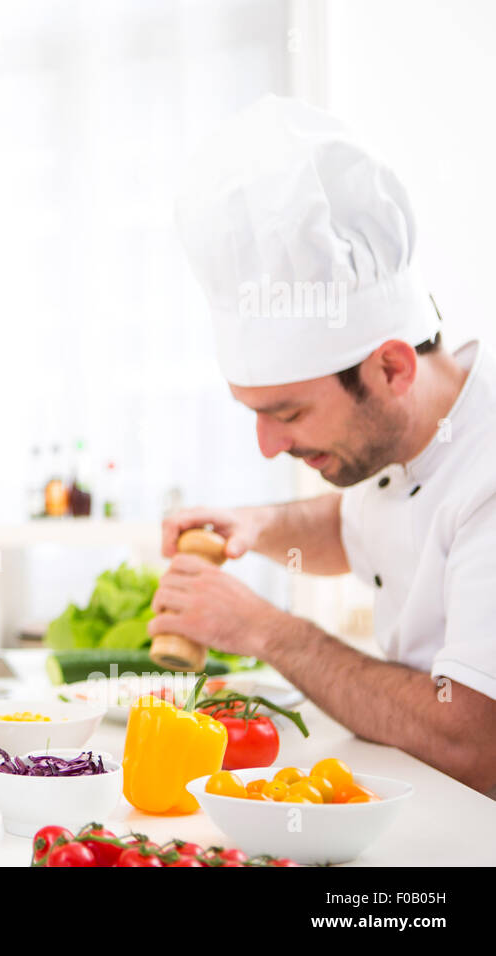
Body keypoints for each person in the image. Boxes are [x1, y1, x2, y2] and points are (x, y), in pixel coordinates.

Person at [154, 95, 496, 796]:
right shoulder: (399, 432)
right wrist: (257, 527)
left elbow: (473, 743)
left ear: (391, 368)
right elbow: (361, 523)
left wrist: (269, 632)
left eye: (287, 412)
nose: (267, 445)